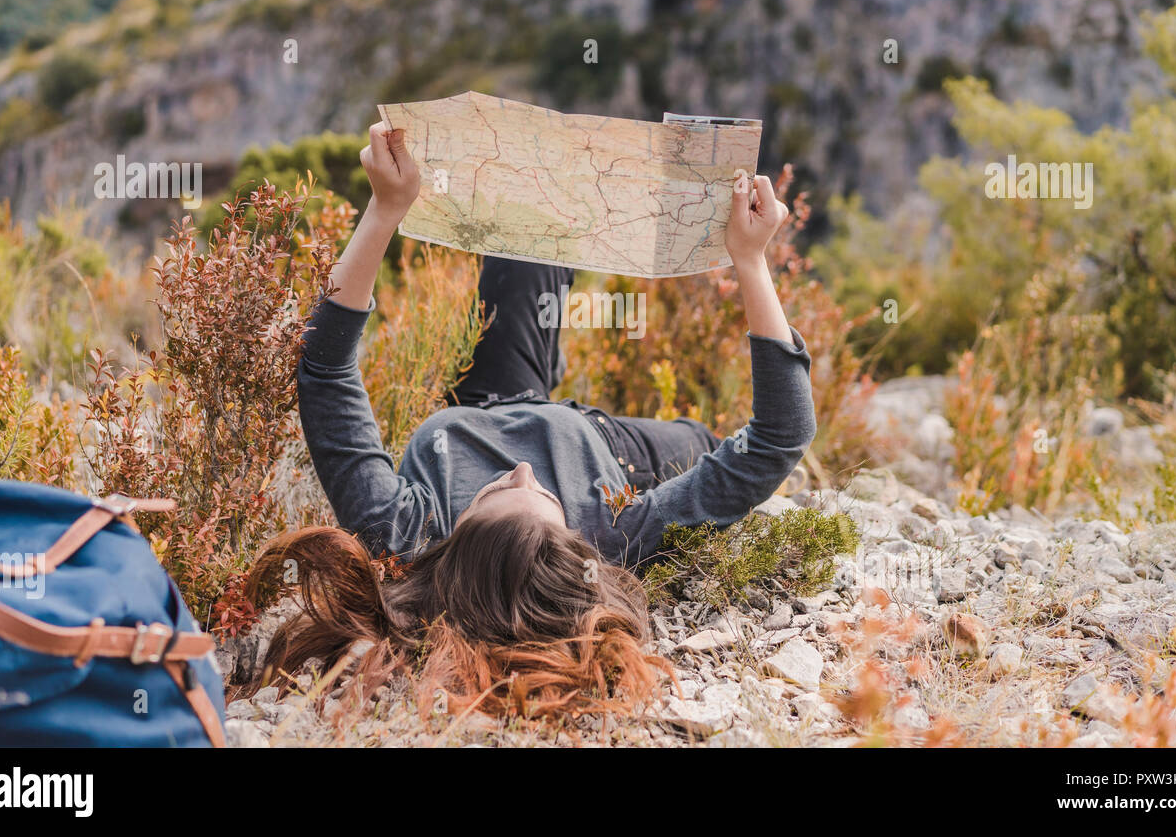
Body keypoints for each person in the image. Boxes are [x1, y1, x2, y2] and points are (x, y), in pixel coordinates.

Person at [248, 121, 817, 717]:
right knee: (705, 445)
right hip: (616, 451)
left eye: (492, 493)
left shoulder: (402, 531)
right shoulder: (613, 536)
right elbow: (778, 437)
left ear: (453, 543)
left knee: (526, 238)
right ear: (578, 544)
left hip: (496, 395)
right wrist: (751, 261)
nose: (521, 470)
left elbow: (326, 368)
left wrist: (385, 209)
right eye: (542, 493)